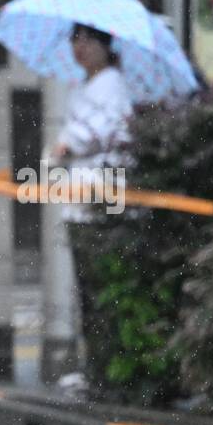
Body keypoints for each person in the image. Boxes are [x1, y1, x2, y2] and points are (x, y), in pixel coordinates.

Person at [50, 22, 133, 394]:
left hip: (101, 201)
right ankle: (95, 367)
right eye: (75, 39)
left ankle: (106, 370)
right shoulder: (85, 85)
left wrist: (68, 144)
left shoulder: (112, 85)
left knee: (100, 288)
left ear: (104, 44)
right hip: (81, 201)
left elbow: (101, 133)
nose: (79, 47)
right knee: (86, 288)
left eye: (87, 39)